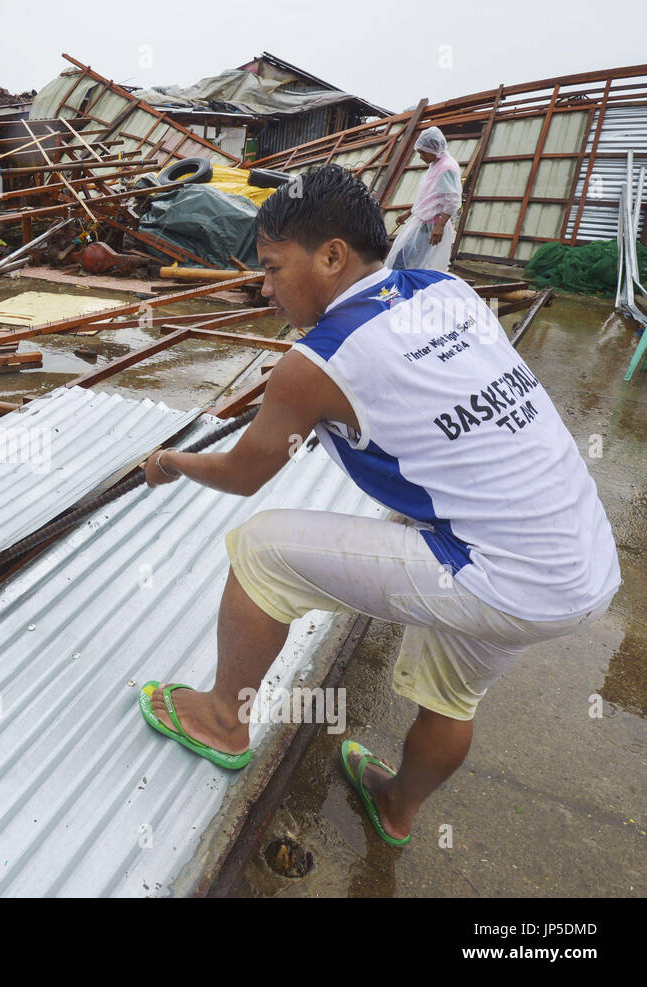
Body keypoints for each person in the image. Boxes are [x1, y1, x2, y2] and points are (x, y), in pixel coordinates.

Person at [137, 164, 619, 846]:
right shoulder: (448, 289)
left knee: (260, 550)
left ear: (332, 255)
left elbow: (245, 473)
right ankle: (396, 808)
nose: (264, 287)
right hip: (584, 563)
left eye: (273, 268)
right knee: (453, 691)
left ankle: (222, 717)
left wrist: (172, 462)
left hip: (501, 568)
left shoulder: (315, 364)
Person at [387, 126, 462, 271]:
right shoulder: (436, 164)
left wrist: (440, 226)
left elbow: (452, 200)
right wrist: (409, 213)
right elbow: (429, 196)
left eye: (423, 152)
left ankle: (400, 290)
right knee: (406, 259)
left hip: (431, 226)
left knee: (406, 262)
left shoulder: (447, 168)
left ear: (434, 149)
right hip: (423, 222)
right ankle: (401, 289)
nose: (421, 156)